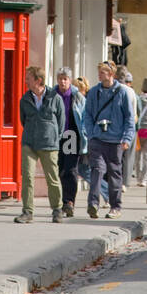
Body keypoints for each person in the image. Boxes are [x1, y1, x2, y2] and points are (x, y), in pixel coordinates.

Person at [84, 60, 135, 219]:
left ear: (111, 74)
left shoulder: (122, 92)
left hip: (116, 141)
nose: (99, 75)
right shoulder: (93, 92)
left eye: (103, 72)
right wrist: (91, 133)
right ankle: (93, 204)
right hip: (97, 139)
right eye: (99, 72)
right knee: (97, 170)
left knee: (114, 174)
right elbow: (88, 115)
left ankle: (115, 207)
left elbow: (129, 118)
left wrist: (127, 138)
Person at [17, 65, 65, 223]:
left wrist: (52, 136)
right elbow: (23, 120)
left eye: (28, 78)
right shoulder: (25, 99)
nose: (25, 81)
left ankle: (57, 209)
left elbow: (61, 121)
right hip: (29, 142)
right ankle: (27, 211)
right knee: (28, 177)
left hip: (49, 143)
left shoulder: (54, 98)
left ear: (38, 80)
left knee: (52, 178)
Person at [54, 67, 87, 216]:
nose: (62, 81)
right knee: (58, 169)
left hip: (71, 135)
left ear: (70, 80)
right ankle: (60, 201)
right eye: (60, 78)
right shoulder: (52, 95)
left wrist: (86, 135)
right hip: (56, 136)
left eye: (65, 79)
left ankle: (69, 202)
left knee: (71, 169)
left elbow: (85, 116)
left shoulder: (77, 96)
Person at [116, 66, 139, 186]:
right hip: (129, 126)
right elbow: (135, 112)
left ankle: (116, 181)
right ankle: (124, 182)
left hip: (115, 127)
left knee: (115, 157)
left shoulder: (113, 89)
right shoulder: (130, 91)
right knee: (128, 156)